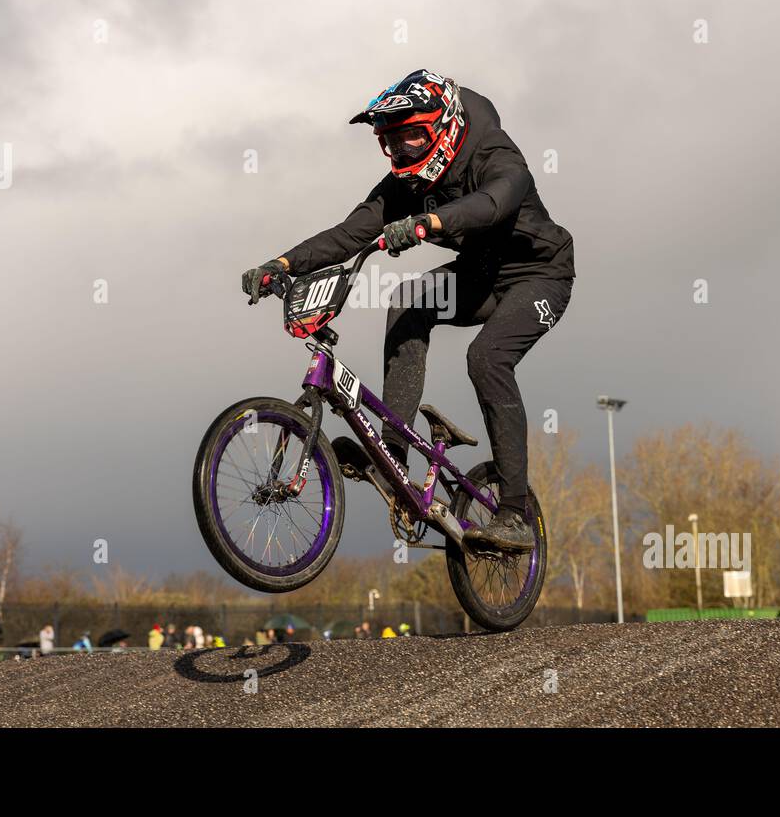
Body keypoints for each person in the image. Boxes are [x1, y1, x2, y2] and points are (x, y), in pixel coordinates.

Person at [240, 70, 575, 552]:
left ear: (445, 127)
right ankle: (390, 454)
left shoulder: (496, 154)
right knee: (408, 301)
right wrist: (283, 262)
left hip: (540, 276)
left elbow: (494, 203)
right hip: (479, 279)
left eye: (411, 137)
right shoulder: (405, 182)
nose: (401, 152)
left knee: (487, 358)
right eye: (391, 142)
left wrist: (430, 222)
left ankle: (515, 511)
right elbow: (350, 232)